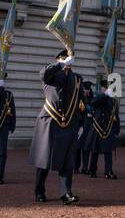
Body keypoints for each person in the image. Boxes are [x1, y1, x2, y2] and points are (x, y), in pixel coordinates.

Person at [29, 52, 84, 204]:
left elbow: (82, 103)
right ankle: (39, 191)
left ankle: (66, 193)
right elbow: (43, 73)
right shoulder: (51, 74)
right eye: (62, 58)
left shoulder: (77, 78)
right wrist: (60, 65)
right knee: (44, 159)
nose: (66, 61)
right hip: (50, 120)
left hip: (70, 123)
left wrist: (82, 124)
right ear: (57, 60)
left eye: (68, 58)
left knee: (67, 161)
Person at [84, 84, 119, 178]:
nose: (106, 89)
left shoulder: (114, 101)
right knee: (95, 150)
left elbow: (116, 115)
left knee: (108, 151)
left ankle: (108, 171)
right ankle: (92, 170)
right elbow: (93, 102)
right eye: (105, 88)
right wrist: (105, 95)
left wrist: (117, 129)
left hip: (108, 127)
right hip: (97, 127)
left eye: (108, 88)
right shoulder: (99, 97)